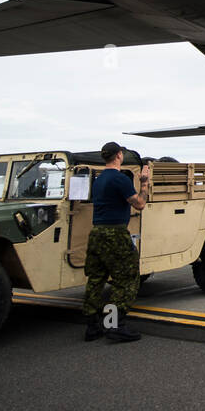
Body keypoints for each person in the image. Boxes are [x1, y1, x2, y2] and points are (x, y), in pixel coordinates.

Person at [83, 142, 151, 343]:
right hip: (115, 233)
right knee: (127, 279)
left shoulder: (98, 179)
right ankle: (115, 325)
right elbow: (139, 204)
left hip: (96, 234)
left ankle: (91, 327)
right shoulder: (120, 179)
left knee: (96, 278)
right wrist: (144, 182)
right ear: (119, 155)